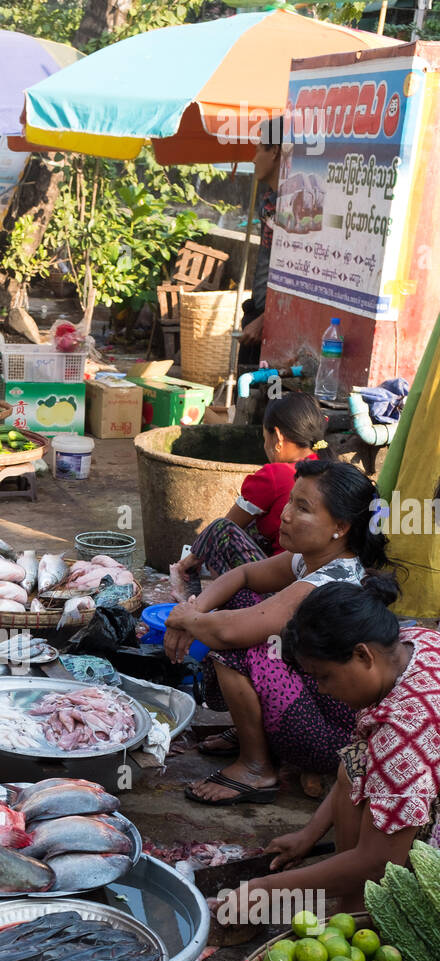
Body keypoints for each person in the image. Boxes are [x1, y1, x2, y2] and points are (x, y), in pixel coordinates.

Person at [163, 457, 395, 805]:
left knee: (239, 645)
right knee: (234, 600)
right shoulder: (317, 556)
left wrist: (185, 620)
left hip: (328, 737)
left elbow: (230, 634)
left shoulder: (331, 581)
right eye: (290, 500)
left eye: (302, 508)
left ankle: (257, 766)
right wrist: (195, 611)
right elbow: (243, 575)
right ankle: (252, 732)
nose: (285, 514)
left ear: (341, 526)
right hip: (311, 704)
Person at [219, 577, 440, 917]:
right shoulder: (413, 644)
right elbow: (355, 762)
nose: (321, 690)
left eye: (324, 677)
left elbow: (380, 862)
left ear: (362, 655)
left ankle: (367, 918)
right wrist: (309, 834)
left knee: (373, 863)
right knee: (353, 765)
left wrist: (266, 889)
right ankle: (353, 904)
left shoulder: (403, 731)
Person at [170, 394, 328, 600]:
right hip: (319, 582)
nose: (265, 446)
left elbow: (226, 527)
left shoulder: (277, 474)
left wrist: (191, 559)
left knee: (221, 530)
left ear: (278, 438)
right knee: (254, 528)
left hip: (282, 585)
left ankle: (207, 592)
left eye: (265, 439)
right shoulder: (327, 467)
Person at [238, 133, 281, 370]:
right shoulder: (269, 202)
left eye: (258, 150)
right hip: (257, 315)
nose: (254, 159)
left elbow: (291, 276)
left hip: (270, 324)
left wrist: (263, 321)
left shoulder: (291, 206)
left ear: (274, 151)